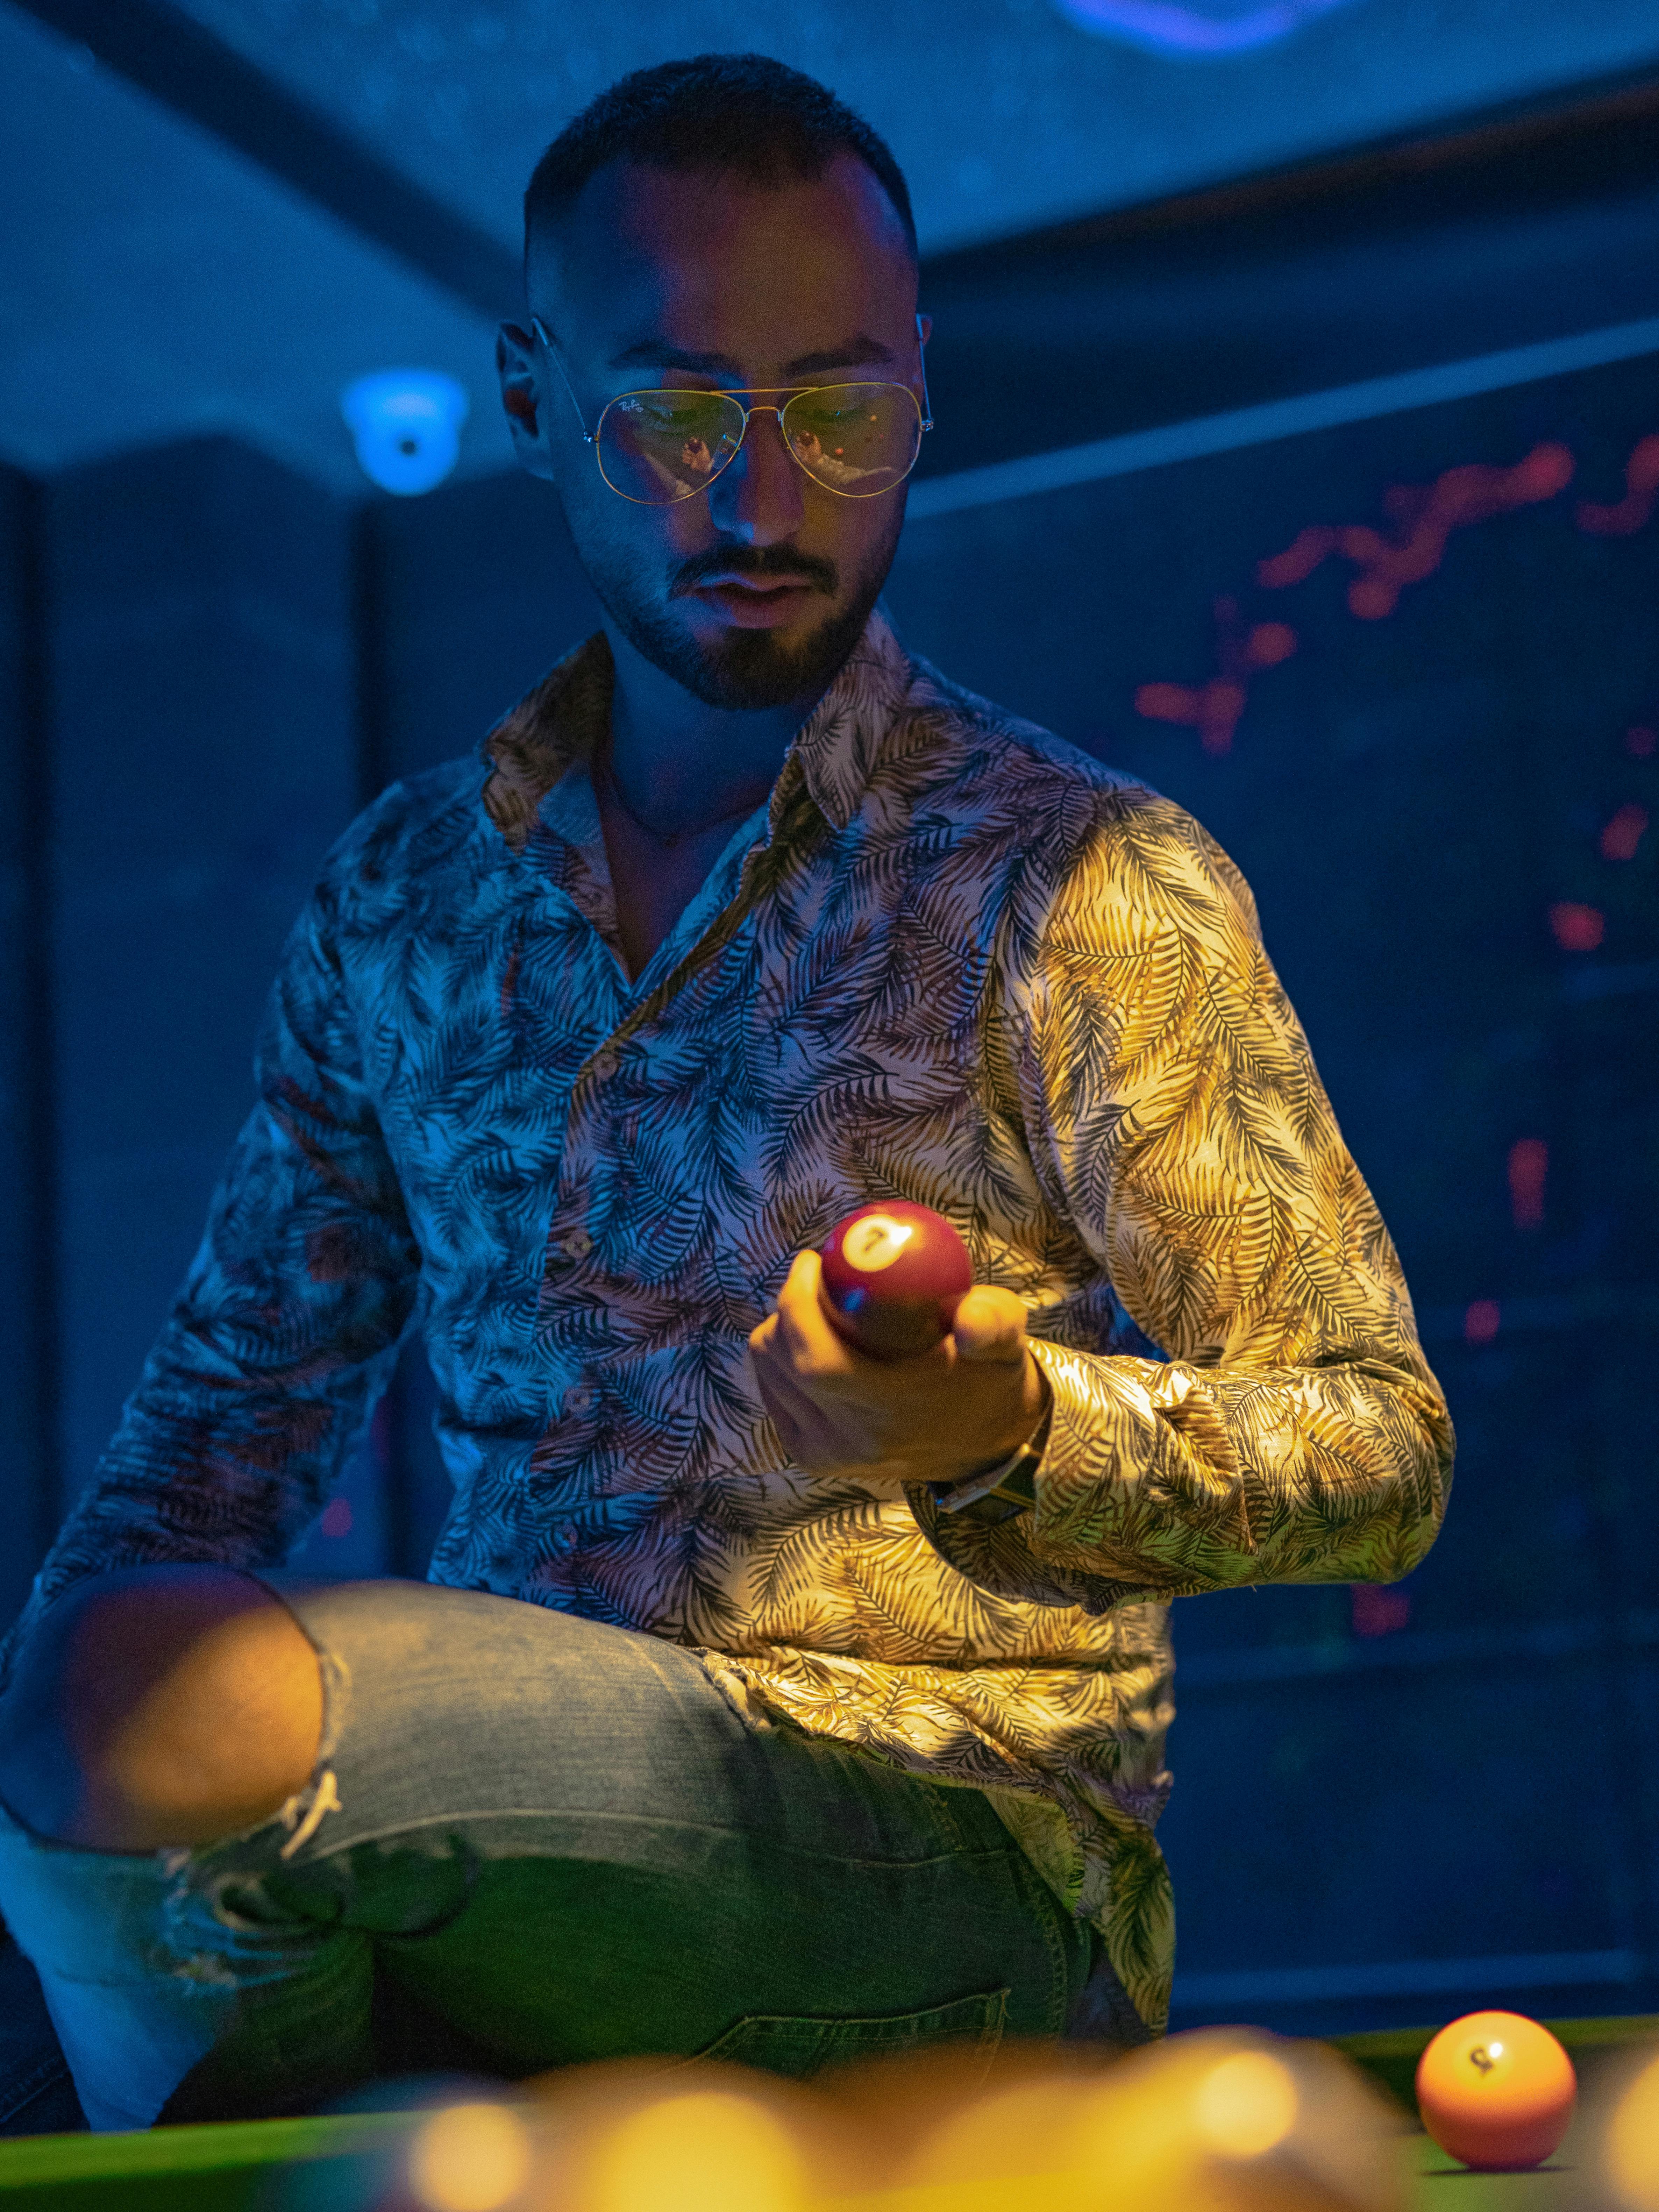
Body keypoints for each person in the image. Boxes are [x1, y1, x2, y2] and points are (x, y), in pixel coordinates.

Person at [0, 53, 1453, 2132]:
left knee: (145, 1712)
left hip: (958, 1852)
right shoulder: (403, 896)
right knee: (70, 1801)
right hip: (504, 1844)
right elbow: (209, 1443)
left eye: (837, 411)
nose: (762, 499)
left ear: (921, 392)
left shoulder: (1081, 878)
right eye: (676, 417)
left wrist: (1012, 1425)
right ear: (531, 400)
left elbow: (1380, 1442)